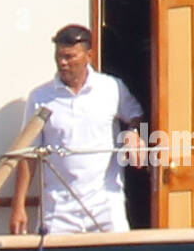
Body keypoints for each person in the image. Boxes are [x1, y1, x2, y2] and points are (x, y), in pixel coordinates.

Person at [9, 24, 144, 235]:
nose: (62, 63)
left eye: (70, 57)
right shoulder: (40, 97)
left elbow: (136, 115)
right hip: (58, 208)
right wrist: (18, 207)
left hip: (106, 204)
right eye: (59, 56)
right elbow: (28, 155)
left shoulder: (111, 88)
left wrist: (134, 134)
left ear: (88, 56)